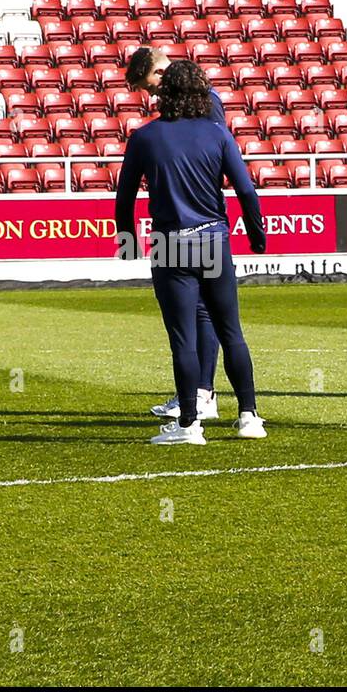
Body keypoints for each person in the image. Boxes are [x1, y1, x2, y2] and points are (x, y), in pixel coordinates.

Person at [115, 59, 267, 445]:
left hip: (169, 244)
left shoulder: (144, 137)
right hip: (213, 239)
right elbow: (245, 190)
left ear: (164, 93)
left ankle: (188, 424)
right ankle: (249, 416)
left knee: (182, 337)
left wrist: (127, 239)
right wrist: (256, 234)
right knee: (230, 331)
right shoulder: (217, 133)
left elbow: (126, 196)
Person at [126, 46, 227, 424]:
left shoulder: (207, 103)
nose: (150, 94)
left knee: (204, 313)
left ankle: (204, 393)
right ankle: (200, 392)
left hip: (199, 224)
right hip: (194, 223)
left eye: (149, 83)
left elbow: (217, 157)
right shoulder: (189, 104)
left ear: (162, 70)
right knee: (199, 312)